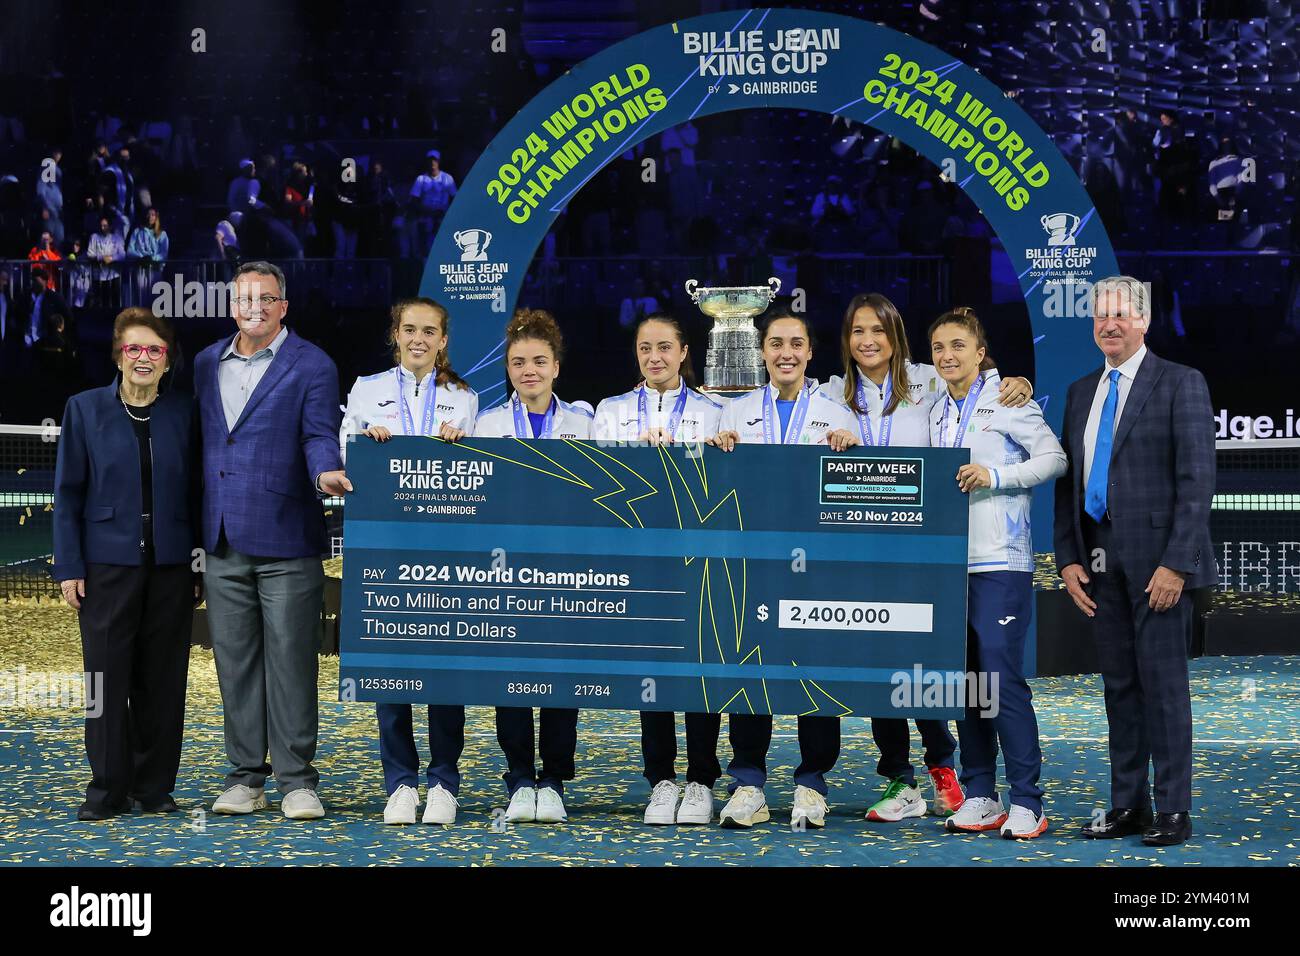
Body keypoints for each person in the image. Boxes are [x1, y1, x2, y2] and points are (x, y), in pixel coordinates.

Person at [817, 293, 1033, 822]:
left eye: (878, 330)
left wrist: (1016, 380)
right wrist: (834, 435)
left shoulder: (930, 381)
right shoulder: (828, 396)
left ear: (896, 336)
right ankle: (899, 778)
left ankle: (946, 769)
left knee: (935, 665)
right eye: (856, 331)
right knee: (880, 666)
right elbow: (801, 432)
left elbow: (977, 386)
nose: (868, 341)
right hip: (865, 551)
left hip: (932, 553)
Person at [1055, 277, 1215, 847]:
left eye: (1121, 315)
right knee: (1119, 687)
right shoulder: (1079, 393)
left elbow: (1197, 484)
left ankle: (1173, 809)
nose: (1110, 324)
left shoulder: (1181, 383)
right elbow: (1068, 485)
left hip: (1160, 567)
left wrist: (1178, 564)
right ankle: (1129, 804)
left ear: (1144, 322)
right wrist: (1069, 557)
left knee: (1164, 687)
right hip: (1099, 565)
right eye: (1101, 316)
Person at [194, 260, 350, 821]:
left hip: (288, 539)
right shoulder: (205, 361)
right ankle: (245, 777)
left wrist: (325, 472)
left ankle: (296, 780)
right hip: (222, 539)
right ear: (233, 304)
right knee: (234, 664)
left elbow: (317, 434)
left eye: (266, 298)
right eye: (244, 298)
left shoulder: (313, 364)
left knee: (291, 662)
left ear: (284, 305)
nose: (254, 307)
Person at [707, 306, 861, 829]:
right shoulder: (737, 411)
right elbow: (719, 488)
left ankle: (812, 783)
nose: (785, 353)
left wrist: (851, 448)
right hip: (753, 564)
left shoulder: (839, 408)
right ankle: (748, 782)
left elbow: (853, 486)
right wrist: (719, 449)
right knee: (750, 671)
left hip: (817, 565)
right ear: (762, 352)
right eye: (775, 344)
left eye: (795, 343)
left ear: (810, 351)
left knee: (813, 673)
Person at [51, 308, 199, 820]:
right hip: (104, 571)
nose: (143, 358)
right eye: (133, 348)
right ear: (118, 356)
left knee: (162, 683)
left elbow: (197, 493)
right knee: (103, 685)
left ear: (166, 360)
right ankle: (107, 791)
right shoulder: (84, 410)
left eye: (154, 350)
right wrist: (69, 565)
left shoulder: (185, 412)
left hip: (171, 570)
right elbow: (68, 495)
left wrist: (196, 564)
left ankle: (154, 789)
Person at [925, 307, 1066, 840]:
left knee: (1002, 680)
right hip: (947, 564)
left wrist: (996, 475)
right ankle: (981, 793)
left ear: (981, 353)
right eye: (939, 347)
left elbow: (1054, 459)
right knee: (966, 684)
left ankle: (1027, 800)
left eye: (958, 345)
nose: (948, 356)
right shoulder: (936, 407)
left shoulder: (1007, 401)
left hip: (1000, 560)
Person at [340, 297, 478, 826]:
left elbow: (482, 471)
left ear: (444, 340)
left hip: (447, 552)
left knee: (445, 671)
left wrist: (461, 445)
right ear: (395, 335)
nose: (418, 339)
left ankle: (444, 779)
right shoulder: (367, 389)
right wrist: (366, 445)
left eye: (430, 331)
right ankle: (399, 781)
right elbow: (344, 456)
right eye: (409, 329)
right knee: (391, 669)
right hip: (387, 548)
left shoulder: (463, 398)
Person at [593, 313, 725, 825]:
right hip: (638, 559)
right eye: (645, 348)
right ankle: (662, 780)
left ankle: (701, 781)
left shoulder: (715, 411)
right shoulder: (611, 411)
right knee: (654, 674)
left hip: (700, 559)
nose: (655, 357)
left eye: (665, 347)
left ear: (684, 351)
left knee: (700, 670)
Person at [474, 308, 591, 824]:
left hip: (569, 569)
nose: (529, 371)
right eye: (519, 362)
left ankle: (555, 780)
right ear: (508, 367)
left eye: (539, 361)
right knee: (513, 678)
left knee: (563, 677)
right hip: (510, 570)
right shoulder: (487, 424)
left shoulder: (584, 423)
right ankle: (520, 777)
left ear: (557, 367)